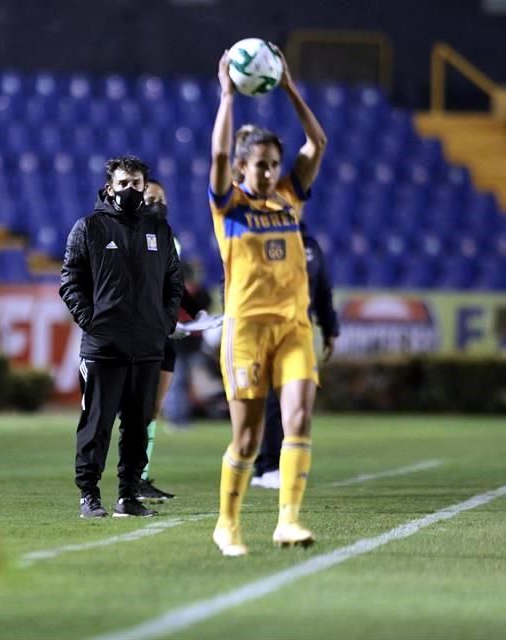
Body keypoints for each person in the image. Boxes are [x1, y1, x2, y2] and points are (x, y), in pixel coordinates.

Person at [208, 47, 327, 556]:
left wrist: (290, 86)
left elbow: (317, 141)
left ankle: (289, 521)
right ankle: (227, 524)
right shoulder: (228, 204)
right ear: (240, 168)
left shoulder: (289, 197)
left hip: (294, 327)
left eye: (274, 164)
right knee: (249, 440)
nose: (268, 172)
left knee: (298, 419)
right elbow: (214, 157)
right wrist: (227, 95)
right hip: (247, 330)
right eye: (259, 165)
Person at [60, 156, 183, 519]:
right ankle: (89, 496)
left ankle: (128, 496)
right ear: (110, 186)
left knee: (137, 426)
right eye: (124, 183)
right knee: (96, 424)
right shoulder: (89, 227)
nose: (131, 189)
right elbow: (70, 281)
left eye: (137, 183)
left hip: (147, 346)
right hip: (104, 348)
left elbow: (173, 282)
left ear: (145, 187)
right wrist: (91, 321)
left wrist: (163, 321)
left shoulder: (159, 230)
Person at [133, 179, 210, 501]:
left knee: (151, 410)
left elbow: (173, 285)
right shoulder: (128, 236)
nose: (157, 203)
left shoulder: (170, 239)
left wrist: (197, 313)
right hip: (139, 332)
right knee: (131, 410)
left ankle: (141, 476)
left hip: (164, 332)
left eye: (161, 198)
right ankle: (110, 484)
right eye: (151, 197)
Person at [251, 220, 339, 489]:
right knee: (272, 399)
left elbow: (323, 291)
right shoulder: (261, 240)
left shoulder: (310, 246)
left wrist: (330, 328)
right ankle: (267, 465)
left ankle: (279, 463)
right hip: (266, 329)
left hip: (301, 330)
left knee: (296, 399)